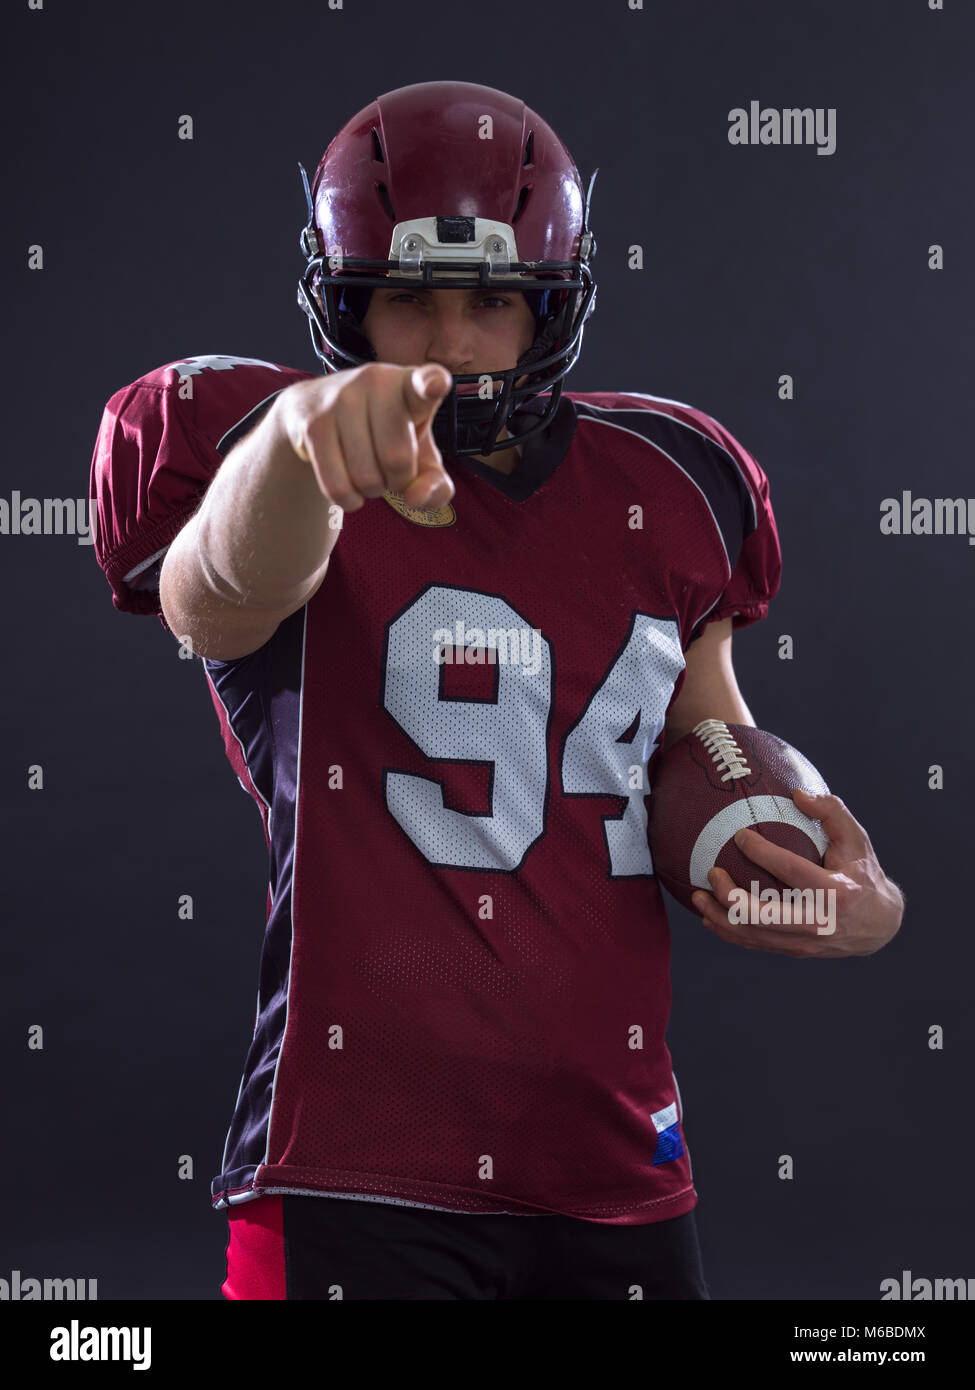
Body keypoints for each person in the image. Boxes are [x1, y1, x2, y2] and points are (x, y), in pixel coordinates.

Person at [89, 79, 904, 1301]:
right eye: (407, 301)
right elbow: (213, 597)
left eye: (493, 301)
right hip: (355, 1160)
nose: (452, 343)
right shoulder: (262, 449)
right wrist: (298, 447)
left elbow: (701, 740)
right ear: (344, 301)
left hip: (615, 1149)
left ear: (555, 305)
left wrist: (848, 891)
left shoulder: (676, 479)